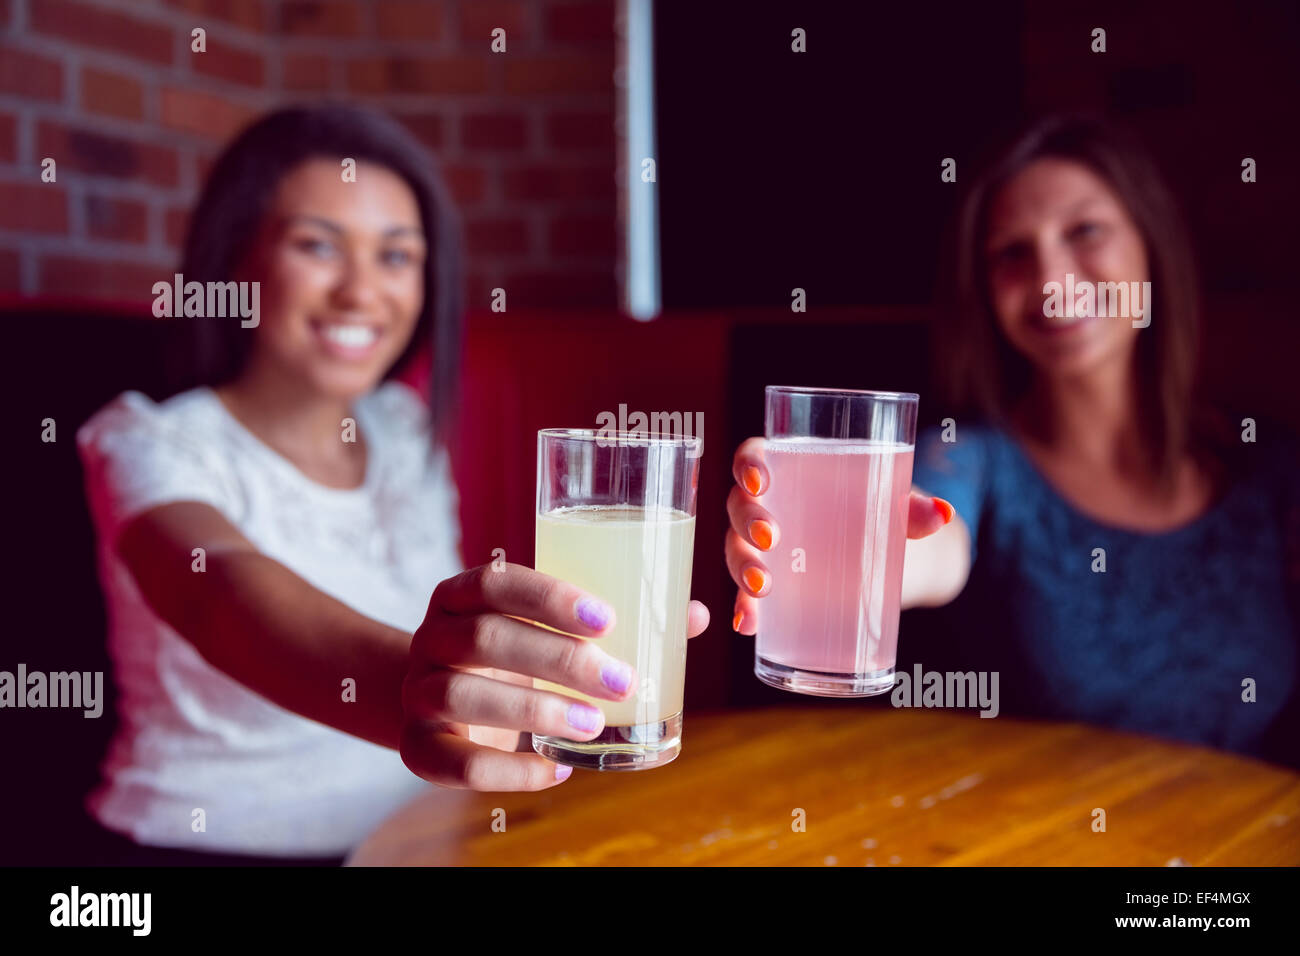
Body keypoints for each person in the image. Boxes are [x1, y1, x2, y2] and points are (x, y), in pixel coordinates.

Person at [76, 105, 710, 866]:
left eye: (397, 256)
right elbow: (219, 600)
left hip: (421, 843)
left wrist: (511, 684)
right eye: (318, 245)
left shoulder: (401, 429)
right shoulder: (148, 439)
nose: (361, 292)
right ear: (234, 261)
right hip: (204, 847)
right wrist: (414, 686)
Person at [726, 114, 1298, 767]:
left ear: (1152, 243)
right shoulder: (971, 457)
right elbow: (928, 543)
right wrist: (840, 552)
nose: (1052, 279)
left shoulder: (1270, 467)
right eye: (1012, 253)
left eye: (1085, 231)